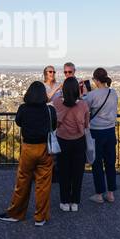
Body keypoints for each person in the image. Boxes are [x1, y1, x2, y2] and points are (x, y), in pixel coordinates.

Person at [0, 81, 58, 226]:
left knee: (23, 181)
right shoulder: (50, 110)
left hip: (28, 148)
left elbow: (18, 122)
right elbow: (54, 125)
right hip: (45, 149)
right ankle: (40, 217)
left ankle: (16, 213)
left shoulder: (23, 108)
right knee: (43, 184)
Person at [53, 77, 89, 210]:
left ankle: (64, 201)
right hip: (79, 140)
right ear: (76, 89)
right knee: (78, 172)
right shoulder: (83, 104)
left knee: (64, 172)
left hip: (62, 140)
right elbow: (86, 124)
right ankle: (75, 202)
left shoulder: (57, 102)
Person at [83, 67, 118, 203]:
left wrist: (86, 94)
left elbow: (84, 108)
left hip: (96, 131)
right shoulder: (113, 93)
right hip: (110, 131)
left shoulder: (92, 95)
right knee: (110, 162)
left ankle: (99, 194)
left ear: (96, 80)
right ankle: (110, 193)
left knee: (97, 162)